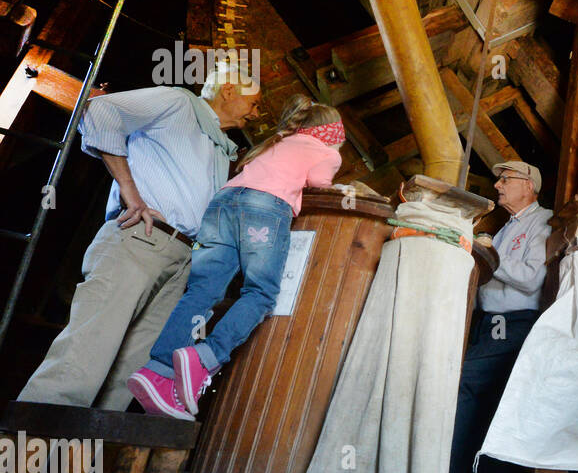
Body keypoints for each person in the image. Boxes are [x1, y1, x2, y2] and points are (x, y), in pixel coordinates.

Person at [17, 62, 259, 410]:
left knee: (124, 379)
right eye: (255, 101)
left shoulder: (221, 147)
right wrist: (130, 193)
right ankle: (20, 457)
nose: (257, 111)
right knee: (85, 355)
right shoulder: (178, 103)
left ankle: (79, 462)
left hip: (180, 262)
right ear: (230, 90)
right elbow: (99, 110)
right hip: (140, 240)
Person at [127, 95, 344, 419]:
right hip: (264, 210)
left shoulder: (277, 142)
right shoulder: (326, 151)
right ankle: (205, 357)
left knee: (201, 291)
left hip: (220, 206)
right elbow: (320, 185)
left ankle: (158, 372)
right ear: (335, 132)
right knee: (261, 293)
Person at [449, 160, 552, 473]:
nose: (497, 186)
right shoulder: (509, 226)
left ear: (529, 185)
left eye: (505, 180)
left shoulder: (543, 222)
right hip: (490, 327)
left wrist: (488, 251)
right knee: (483, 406)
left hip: (513, 327)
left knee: (472, 395)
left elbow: (530, 279)